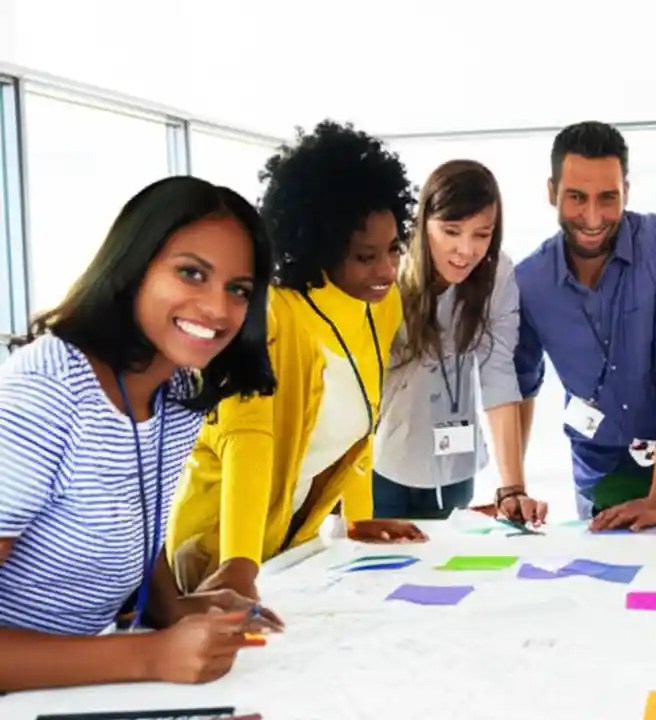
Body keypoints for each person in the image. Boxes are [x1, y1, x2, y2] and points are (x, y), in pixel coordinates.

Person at [0, 177, 283, 691]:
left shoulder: (174, 394)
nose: (218, 310)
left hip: (73, 693)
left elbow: (128, 519)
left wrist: (175, 608)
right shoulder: (44, 396)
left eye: (238, 289)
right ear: (132, 269)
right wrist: (151, 655)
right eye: (191, 273)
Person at [168, 121, 426, 601]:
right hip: (218, 544)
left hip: (293, 543)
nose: (387, 271)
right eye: (366, 256)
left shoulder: (380, 305)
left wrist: (358, 521)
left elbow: (359, 436)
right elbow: (248, 439)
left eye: (394, 249)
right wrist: (238, 563)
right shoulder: (272, 314)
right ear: (322, 247)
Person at [514, 121, 656, 531]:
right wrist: (513, 487)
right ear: (552, 191)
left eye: (608, 198)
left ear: (626, 190)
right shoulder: (528, 282)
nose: (593, 217)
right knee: (604, 587)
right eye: (576, 197)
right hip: (600, 464)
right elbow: (517, 386)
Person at [374, 160, 546, 523]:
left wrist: (513, 487)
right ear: (424, 225)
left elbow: (498, 372)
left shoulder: (497, 275)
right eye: (451, 231)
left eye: (481, 234)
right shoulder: (388, 273)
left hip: (457, 465)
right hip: (384, 464)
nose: (466, 250)